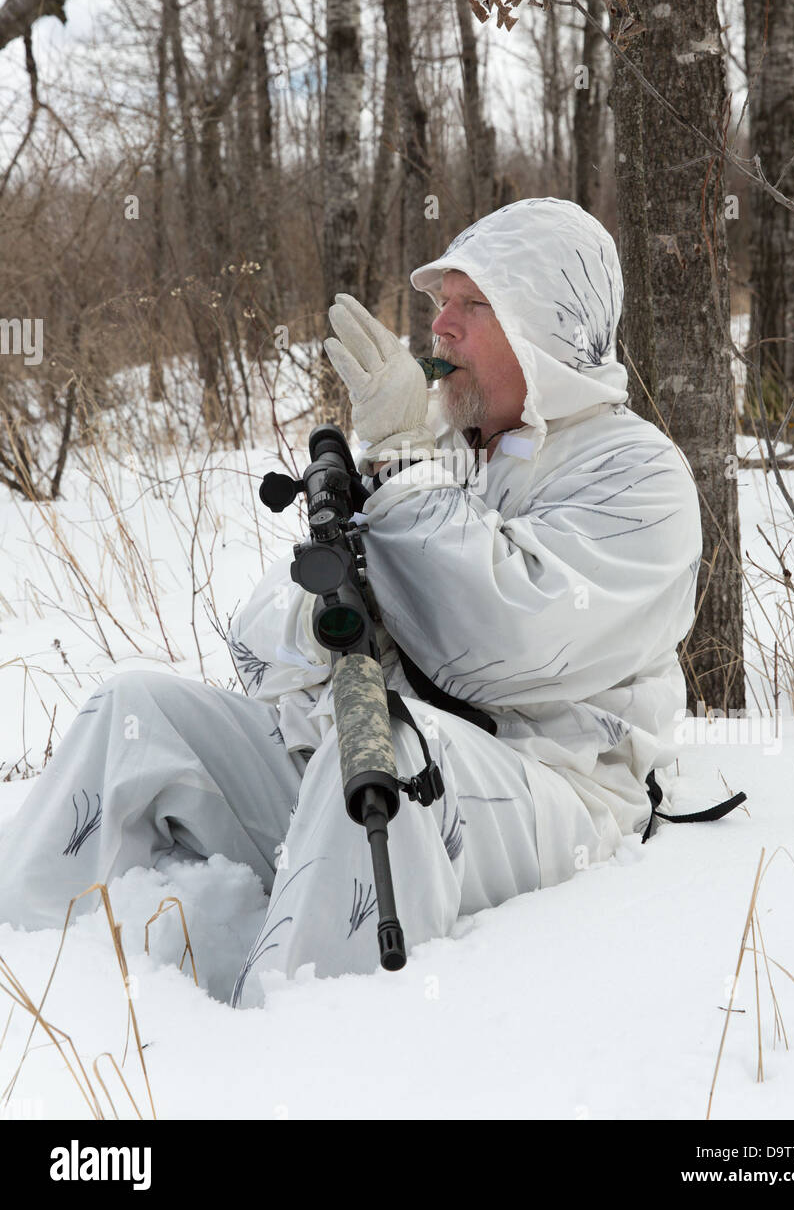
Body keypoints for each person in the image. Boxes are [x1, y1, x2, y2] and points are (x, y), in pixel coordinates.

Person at [0, 197, 703, 1007]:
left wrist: (407, 472)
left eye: (475, 304)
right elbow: (257, 647)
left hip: (551, 792)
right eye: (442, 303)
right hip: (359, 756)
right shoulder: (433, 449)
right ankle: (29, 996)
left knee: (383, 754)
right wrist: (321, 617)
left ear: (550, 329)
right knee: (136, 716)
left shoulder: (637, 475)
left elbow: (507, 646)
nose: (442, 329)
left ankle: (286, 1060)